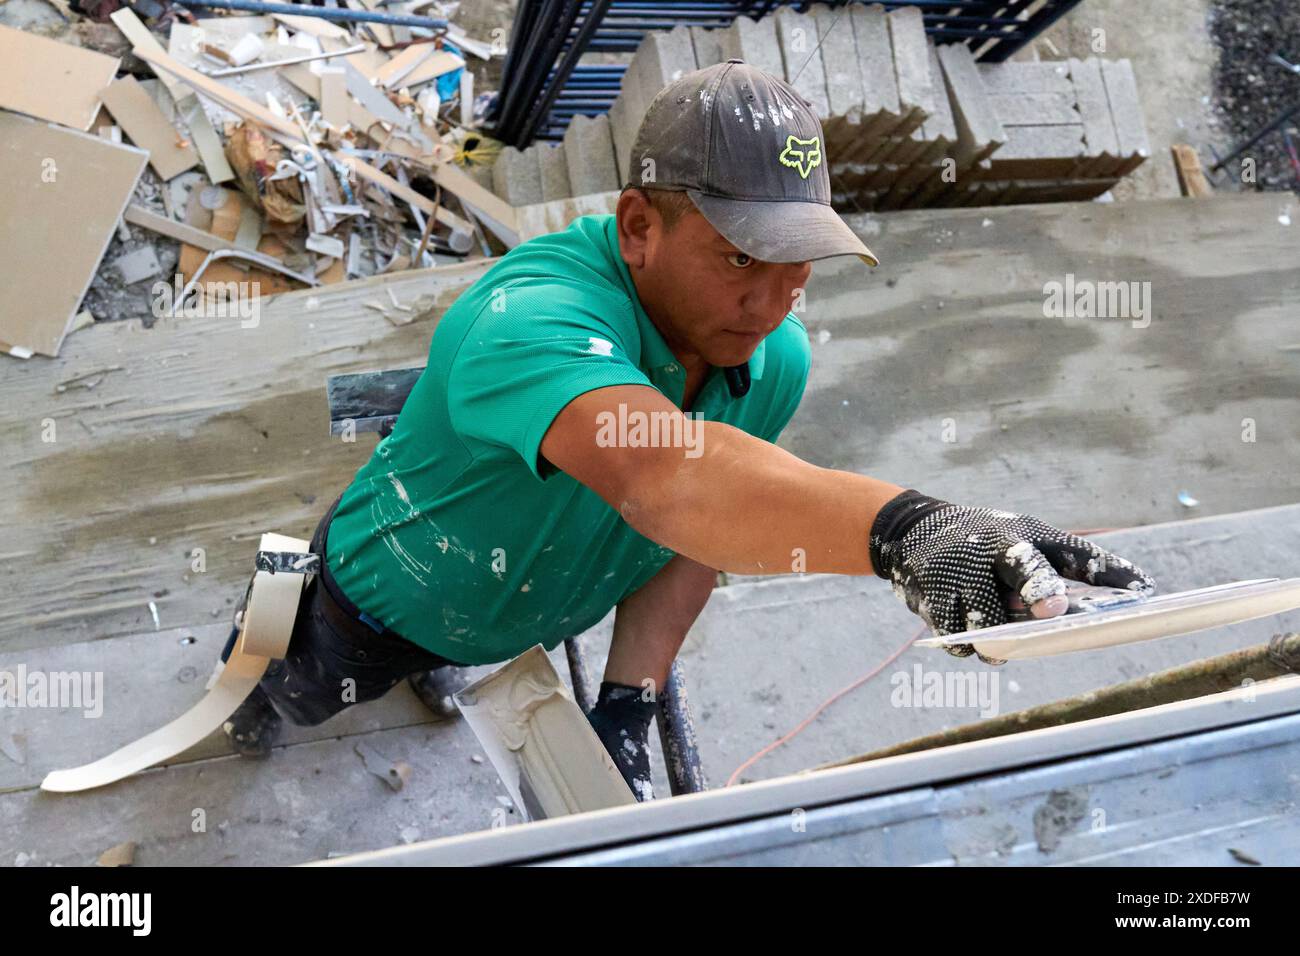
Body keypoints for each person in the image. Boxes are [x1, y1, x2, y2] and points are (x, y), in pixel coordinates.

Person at [223, 60, 1155, 800]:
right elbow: (671, 477)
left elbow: (695, 532)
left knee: (461, 656)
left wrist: (630, 700)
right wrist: (905, 531)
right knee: (308, 687)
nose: (771, 301)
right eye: (741, 256)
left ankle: (445, 664)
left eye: (801, 264)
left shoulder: (772, 356)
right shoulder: (526, 321)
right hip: (387, 596)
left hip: (515, 610)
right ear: (638, 225)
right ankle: (258, 707)